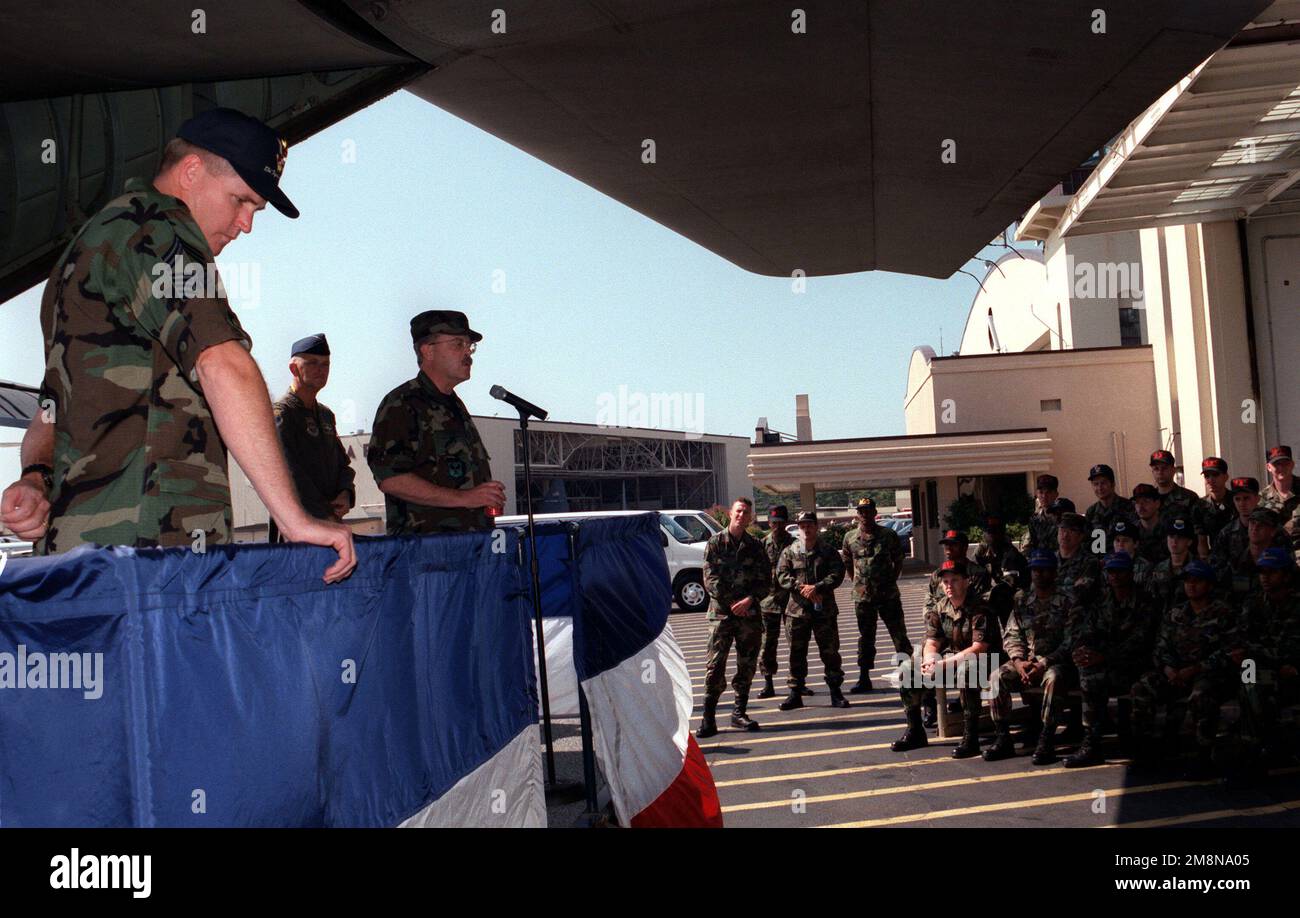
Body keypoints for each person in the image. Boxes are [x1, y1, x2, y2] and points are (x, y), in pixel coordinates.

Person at [0, 107, 354, 583]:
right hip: (151, 557)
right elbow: (223, 364)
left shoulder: (89, 248)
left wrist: (36, 479)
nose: (246, 224)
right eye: (240, 200)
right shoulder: (157, 228)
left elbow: (50, 411)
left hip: (82, 557)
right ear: (191, 172)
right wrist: (296, 520)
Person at [366, 310, 504, 535]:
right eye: (458, 344)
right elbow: (391, 478)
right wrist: (466, 498)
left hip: (471, 546)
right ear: (427, 350)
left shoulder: (454, 405)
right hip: (427, 554)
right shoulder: (402, 403)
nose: (468, 353)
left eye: (470, 346)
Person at [1130, 560, 1238, 777]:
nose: (1191, 585)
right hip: (1176, 674)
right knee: (1142, 687)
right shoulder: (1175, 613)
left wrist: (1196, 669)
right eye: (1188, 581)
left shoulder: (1224, 612)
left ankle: (1203, 756)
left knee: (1201, 695)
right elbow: (1160, 647)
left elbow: (1232, 651)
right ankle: (1144, 752)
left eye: (1197, 581)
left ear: (1208, 585)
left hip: (1209, 675)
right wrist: (1169, 669)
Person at [891, 559, 997, 758]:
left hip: (986, 661)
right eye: (945, 582)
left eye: (954, 580)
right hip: (952, 659)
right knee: (907, 668)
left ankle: (970, 737)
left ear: (966, 581)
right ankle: (915, 730)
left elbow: (978, 648)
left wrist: (943, 664)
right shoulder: (941, 606)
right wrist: (930, 659)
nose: (949, 585)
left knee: (969, 671)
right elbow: (932, 639)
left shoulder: (980, 608)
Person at [1064, 552, 1161, 767]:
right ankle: (1092, 743)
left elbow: (1140, 642)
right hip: (1111, 665)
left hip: (1139, 665)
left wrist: (1102, 655)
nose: (1115, 576)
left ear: (1130, 574)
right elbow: (1088, 631)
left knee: (1143, 687)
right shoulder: (1102, 601)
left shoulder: (1145, 602)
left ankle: (1142, 745)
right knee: (1089, 675)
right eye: (1111, 572)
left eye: (1120, 571)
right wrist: (1084, 651)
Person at [983, 550, 1076, 765]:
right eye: (1035, 570)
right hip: (1026, 661)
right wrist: (1018, 661)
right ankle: (1003, 736)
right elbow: (1012, 634)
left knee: (1054, 679)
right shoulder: (1023, 599)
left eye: (1044, 570)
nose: (1039, 574)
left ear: (1054, 573)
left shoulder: (1068, 601)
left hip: (1056, 662)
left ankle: (1047, 738)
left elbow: (1071, 641)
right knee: (997, 677)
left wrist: (1043, 663)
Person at [269, 333, 355, 541]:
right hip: (299, 527)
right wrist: (322, 513)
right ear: (294, 368)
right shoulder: (281, 414)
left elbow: (342, 464)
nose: (321, 369)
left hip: (329, 524)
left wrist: (346, 493)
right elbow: (288, 473)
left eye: (326, 364)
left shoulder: (325, 415)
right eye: (313, 363)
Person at [698, 497, 771, 737]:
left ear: (750, 517)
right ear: (731, 513)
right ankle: (708, 719)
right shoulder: (716, 543)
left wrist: (750, 599)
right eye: (739, 511)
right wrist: (732, 603)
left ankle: (739, 713)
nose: (742, 515)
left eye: (746, 512)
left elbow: (765, 581)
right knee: (715, 665)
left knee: (747, 664)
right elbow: (710, 579)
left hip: (748, 615)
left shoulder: (756, 546)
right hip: (721, 615)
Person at [775, 511, 850, 711]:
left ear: (816, 526)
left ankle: (836, 692)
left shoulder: (827, 550)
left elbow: (838, 573)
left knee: (830, 652)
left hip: (823, 610)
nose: (806, 529)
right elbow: (781, 576)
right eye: (802, 525)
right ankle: (795, 693)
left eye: (809, 525)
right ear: (798, 528)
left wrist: (818, 587)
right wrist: (803, 588)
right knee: (796, 653)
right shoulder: (789, 551)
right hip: (797, 611)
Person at [1236, 548, 1300, 768]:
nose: (1264, 576)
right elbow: (1242, 641)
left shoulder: (1296, 604)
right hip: (1268, 672)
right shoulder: (1254, 603)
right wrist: (1261, 654)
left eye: (1271, 572)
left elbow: (1289, 650)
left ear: (1286, 575)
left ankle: (1262, 747)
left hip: (1293, 674)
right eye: (1261, 571)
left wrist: (1259, 652)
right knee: (1249, 677)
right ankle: (1253, 748)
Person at [841, 497, 910, 693]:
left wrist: (890, 581)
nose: (865, 514)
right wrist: (859, 584)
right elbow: (848, 563)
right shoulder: (850, 537)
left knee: (899, 636)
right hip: (863, 598)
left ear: (875, 512)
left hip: (888, 595)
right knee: (866, 638)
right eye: (861, 511)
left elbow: (898, 561)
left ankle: (908, 676)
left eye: (868, 510)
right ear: (857, 514)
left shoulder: (888, 535)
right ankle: (864, 677)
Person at [757, 505, 794, 699]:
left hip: (791, 602)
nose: (776, 526)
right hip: (768, 602)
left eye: (780, 523)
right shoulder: (762, 545)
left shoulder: (795, 544)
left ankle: (797, 683)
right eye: (773, 523)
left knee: (795, 643)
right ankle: (768, 683)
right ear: (769, 523)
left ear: (786, 523)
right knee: (768, 643)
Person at [972, 515, 1029, 628]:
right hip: (991, 591)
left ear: (1002, 533)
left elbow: (1009, 584)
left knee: (1002, 598)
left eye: (996, 531)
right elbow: (974, 574)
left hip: (1011, 593)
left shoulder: (1010, 553)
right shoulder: (982, 550)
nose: (992, 535)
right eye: (989, 532)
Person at [1146, 517, 1196, 613]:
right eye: (1171, 536)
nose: (1174, 541)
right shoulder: (1157, 569)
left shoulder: (1197, 568)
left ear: (1189, 542)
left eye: (1180, 537)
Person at [1084, 463, 1136, 552]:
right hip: (1098, 561)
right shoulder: (1091, 512)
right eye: (1096, 484)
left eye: (1103, 483)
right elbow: (1087, 541)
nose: (1100, 488)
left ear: (1112, 484)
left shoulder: (1128, 506)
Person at [1055, 512, 1100, 606]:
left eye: (1072, 531)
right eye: (1062, 529)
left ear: (1081, 536)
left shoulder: (1090, 562)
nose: (1065, 535)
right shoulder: (1049, 559)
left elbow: (1078, 595)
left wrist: (1049, 592)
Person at [1194, 457, 1232, 561]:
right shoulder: (1200, 506)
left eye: (1215, 475)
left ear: (1225, 477)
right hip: (1215, 559)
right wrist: (1205, 561)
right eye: (1207, 476)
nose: (1211, 480)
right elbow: (1201, 539)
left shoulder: (1236, 501)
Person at [1150, 449, 1199, 526]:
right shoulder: (1148, 499)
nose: (1160, 472)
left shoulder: (1189, 497)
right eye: (1156, 469)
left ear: (1173, 470)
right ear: (1152, 472)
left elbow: (1198, 529)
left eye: (1164, 468)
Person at [1261, 445, 1300, 538]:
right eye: (1276, 464)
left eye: (1285, 463)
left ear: (1292, 464)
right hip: (1276, 550)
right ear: (1269, 467)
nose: (1281, 467)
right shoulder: (1262, 497)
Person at [1130, 483, 1169, 565]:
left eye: (1146, 501)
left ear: (1157, 504)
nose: (1141, 506)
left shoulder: (1169, 530)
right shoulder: (1131, 531)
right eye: (1137, 502)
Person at [1026, 475, 1061, 554]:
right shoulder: (1034, 520)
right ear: (1037, 494)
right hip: (1040, 561)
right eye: (1041, 492)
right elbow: (1029, 544)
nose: (1044, 496)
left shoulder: (1063, 518)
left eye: (1048, 492)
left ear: (1056, 494)